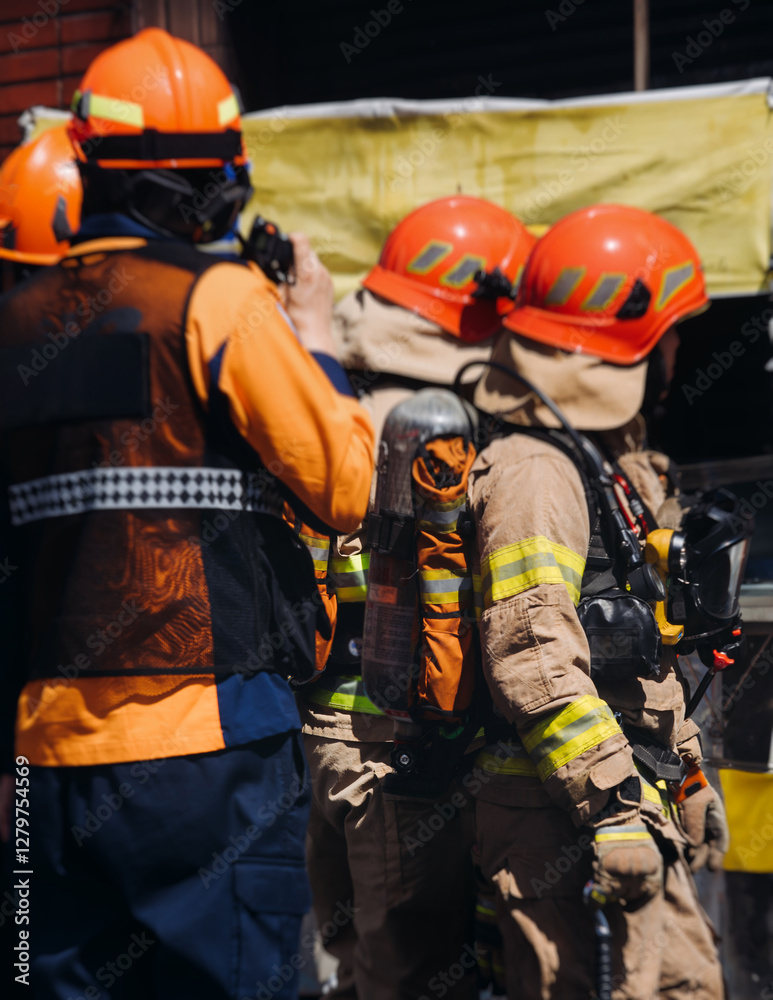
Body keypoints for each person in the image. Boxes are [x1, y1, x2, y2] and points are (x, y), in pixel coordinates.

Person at [0, 28, 374, 1000]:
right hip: (207, 752)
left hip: (48, 758)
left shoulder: (16, 326)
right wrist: (319, 340)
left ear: (87, 164)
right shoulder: (215, 301)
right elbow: (345, 485)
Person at [468, 203, 727, 999]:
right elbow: (535, 650)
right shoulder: (534, 472)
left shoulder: (601, 462)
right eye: (665, 334)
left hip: (607, 796)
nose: (679, 349)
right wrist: (613, 807)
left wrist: (681, 768)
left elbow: (633, 642)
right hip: (557, 816)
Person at [298, 195, 535, 1000]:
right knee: (414, 972)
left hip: (315, 739)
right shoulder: (445, 429)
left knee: (345, 969)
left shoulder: (326, 402)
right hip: (396, 756)